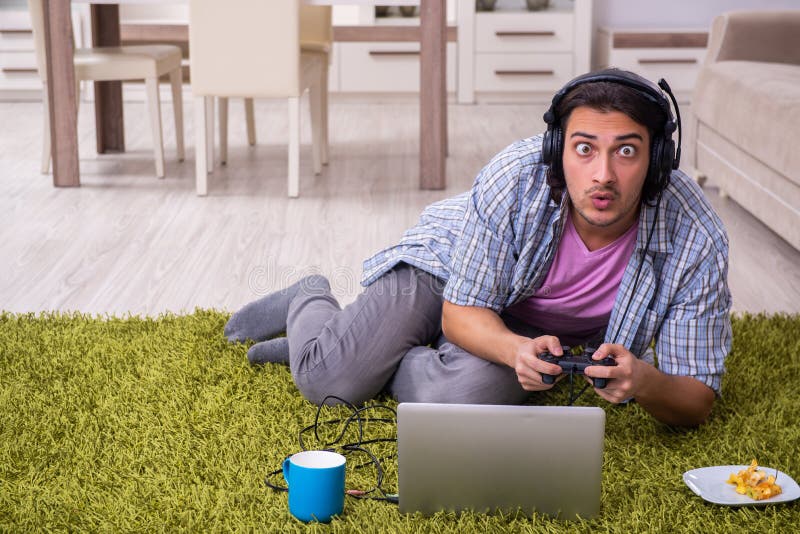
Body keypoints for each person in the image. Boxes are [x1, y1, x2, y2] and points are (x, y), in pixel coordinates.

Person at [224, 68, 732, 427]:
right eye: (584, 148)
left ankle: (365, 346)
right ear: (559, 152)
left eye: (626, 150)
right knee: (327, 382)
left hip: (534, 324)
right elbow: (461, 313)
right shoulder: (515, 177)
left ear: (658, 159)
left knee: (456, 398)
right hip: (444, 271)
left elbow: (696, 400)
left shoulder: (696, 235)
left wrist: (644, 380)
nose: (603, 174)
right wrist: (512, 351)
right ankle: (310, 302)